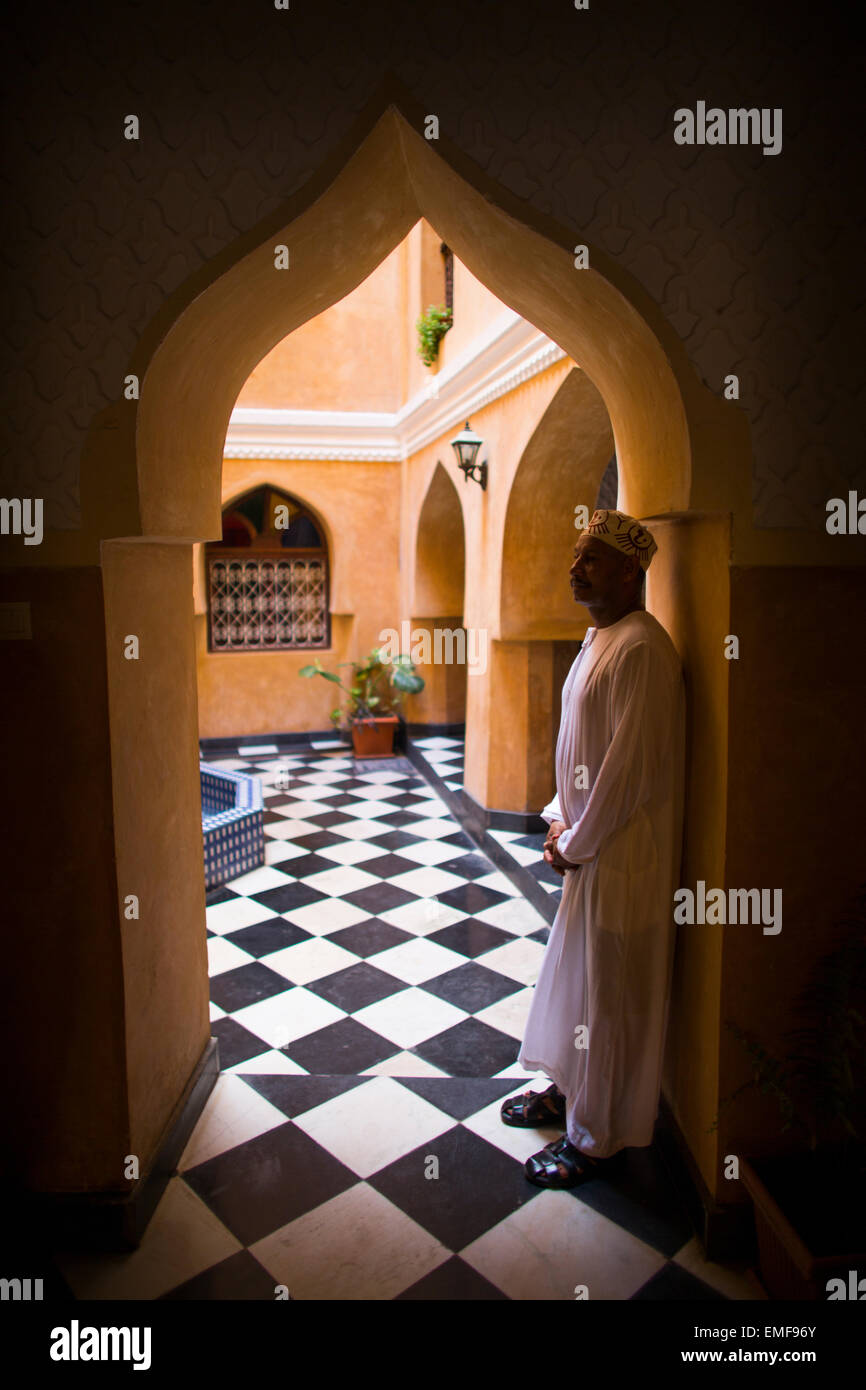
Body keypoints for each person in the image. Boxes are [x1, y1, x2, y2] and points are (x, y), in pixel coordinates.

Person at [501, 508, 685, 1187]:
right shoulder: (601, 638)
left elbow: (629, 770)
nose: (573, 570)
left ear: (632, 571)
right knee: (576, 980)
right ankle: (565, 1091)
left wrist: (575, 839)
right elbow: (581, 751)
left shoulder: (641, 648)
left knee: (611, 1000)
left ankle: (596, 1139)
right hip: (589, 849)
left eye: (591, 560)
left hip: (624, 858)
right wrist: (558, 821)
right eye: (576, 557)